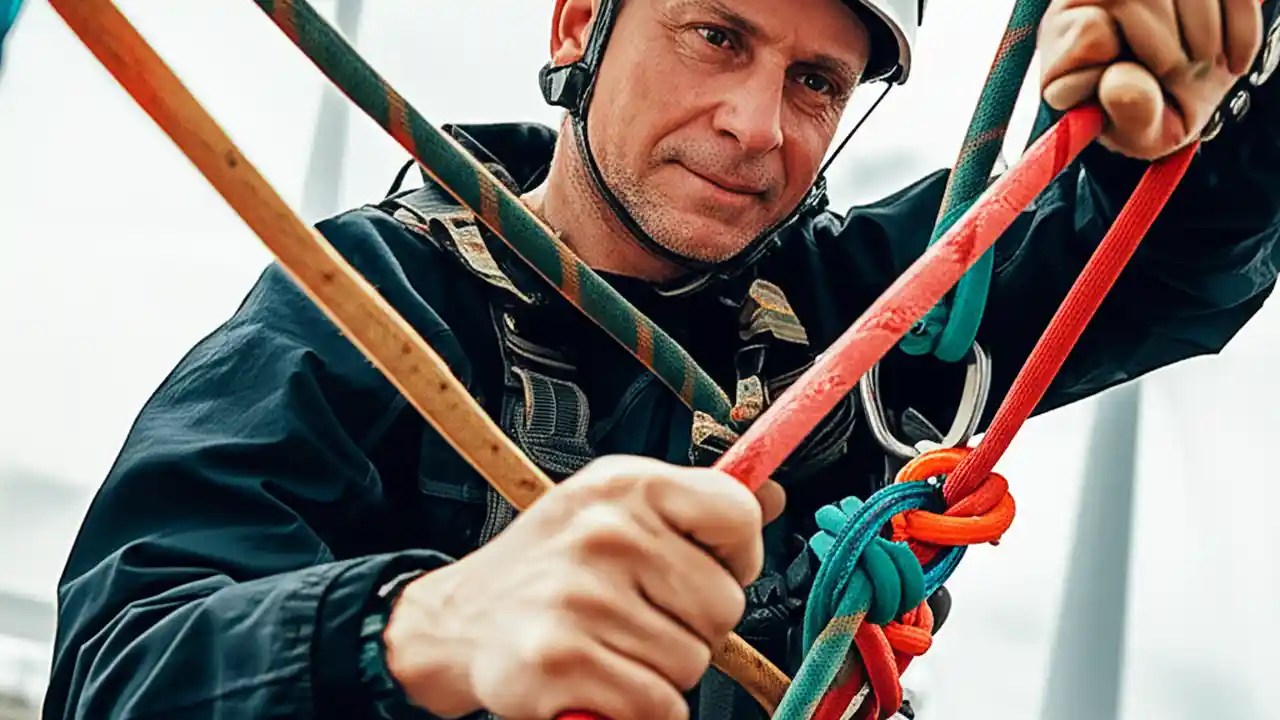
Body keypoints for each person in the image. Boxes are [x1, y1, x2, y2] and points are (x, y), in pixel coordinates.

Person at [43, 0, 1280, 718]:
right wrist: (417, 627)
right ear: (582, 24)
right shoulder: (380, 296)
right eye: (712, 36)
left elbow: (1161, 257)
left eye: (812, 81)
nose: (754, 127)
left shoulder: (848, 313)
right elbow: (121, 662)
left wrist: (1228, 67)